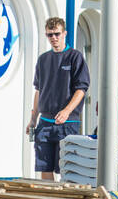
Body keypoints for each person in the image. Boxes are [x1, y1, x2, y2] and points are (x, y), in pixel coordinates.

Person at [28, 16, 91, 180]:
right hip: (45, 123)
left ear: (65, 34)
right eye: (50, 35)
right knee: (44, 167)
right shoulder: (43, 59)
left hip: (67, 123)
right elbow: (38, 90)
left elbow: (81, 89)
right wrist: (33, 119)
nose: (54, 38)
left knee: (66, 169)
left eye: (57, 34)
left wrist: (67, 111)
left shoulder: (75, 57)